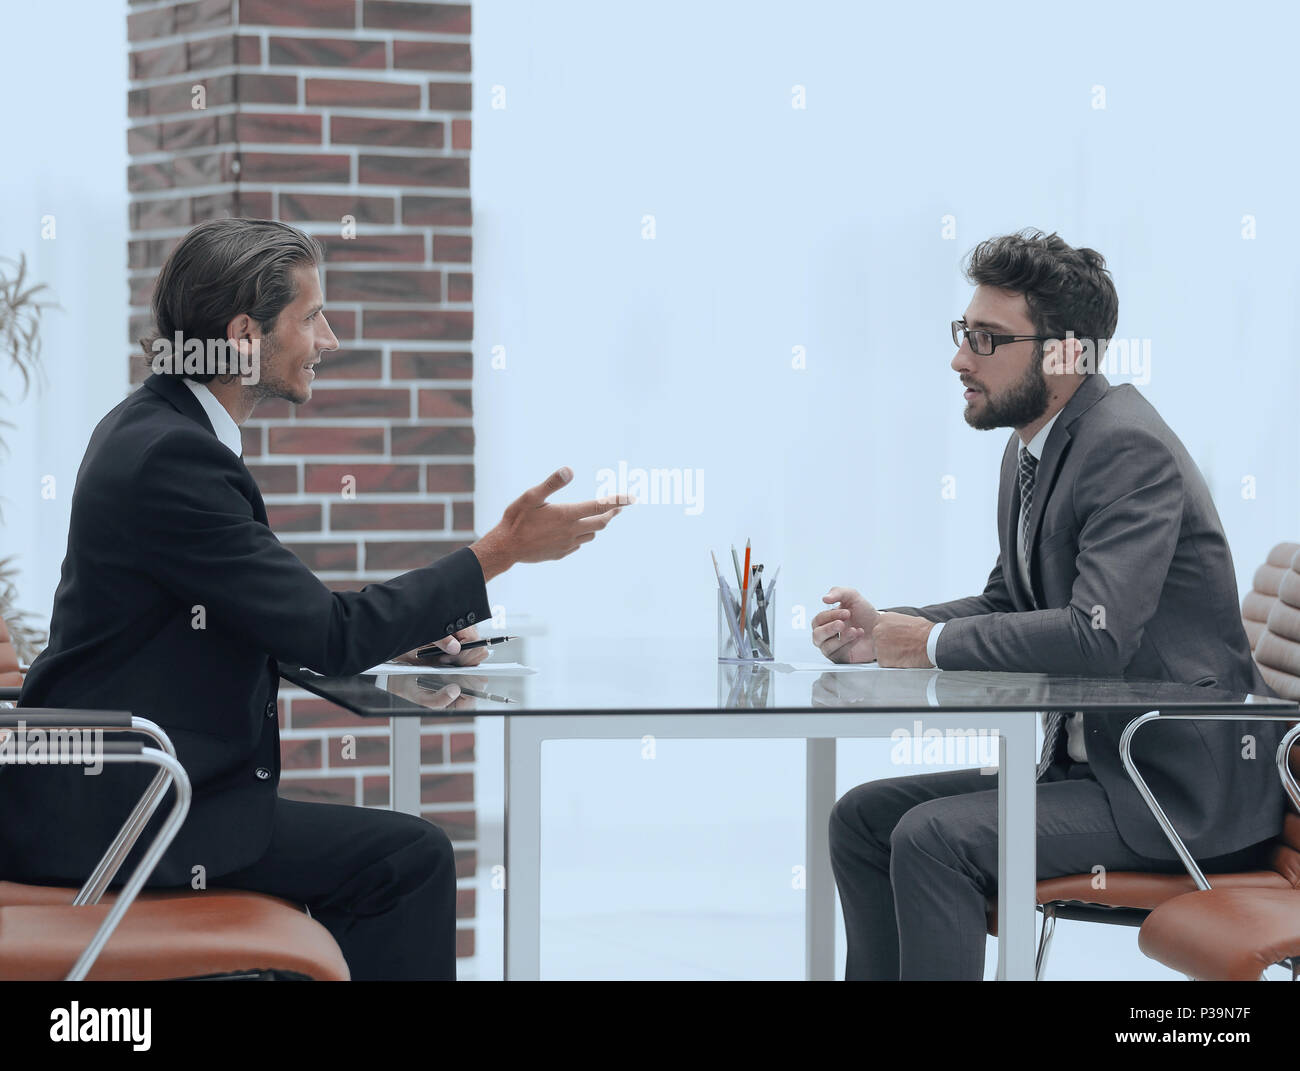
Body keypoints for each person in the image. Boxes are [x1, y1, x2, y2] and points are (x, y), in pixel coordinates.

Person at [4, 218, 629, 981]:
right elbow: (324, 632)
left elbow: (274, 619)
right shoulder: (174, 457)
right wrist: (500, 550)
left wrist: (392, 638)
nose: (328, 340)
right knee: (410, 859)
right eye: (310, 317)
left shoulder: (153, 428)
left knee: (391, 857)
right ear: (244, 334)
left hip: (114, 794)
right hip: (127, 814)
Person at [813, 229, 1284, 980]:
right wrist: (890, 632)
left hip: (1174, 797)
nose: (960, 358)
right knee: (863, 818)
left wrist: (926, 647)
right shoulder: (1035, 445)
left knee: (933, 838)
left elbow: (1094, 638)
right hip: (1100, 773)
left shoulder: (1128, 449)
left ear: (1066, 355)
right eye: (963, 333)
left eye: (986, 339)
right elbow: (1008, 601)